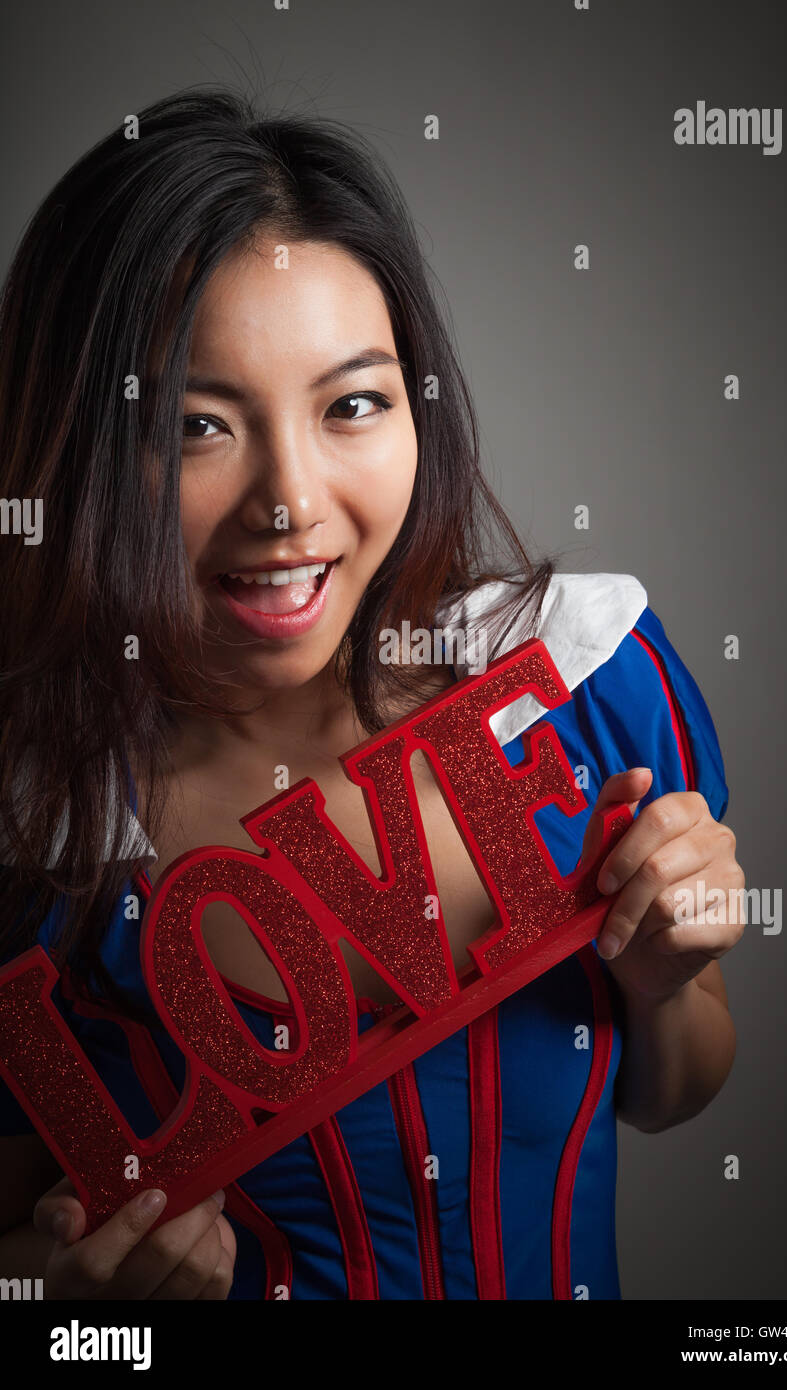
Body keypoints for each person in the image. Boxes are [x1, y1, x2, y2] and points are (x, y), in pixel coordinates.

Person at [0, 88, 745, 1300]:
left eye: (352, 403)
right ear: (78, 451)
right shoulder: (42, 853)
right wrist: (81, 1318)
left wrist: (661, 977)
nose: (289, 502)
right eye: (196, 425)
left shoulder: (582, 688)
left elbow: (675, 1086)